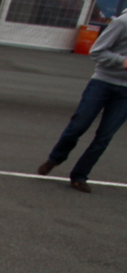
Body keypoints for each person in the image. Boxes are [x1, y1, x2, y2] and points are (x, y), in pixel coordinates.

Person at [36, 10, 127, 193]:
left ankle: (79, 176)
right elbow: (97, 51)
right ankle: (56, 157)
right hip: (103, 82)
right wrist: (121, 60)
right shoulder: (122, 23)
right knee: (79, 125)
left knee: (104, 137)